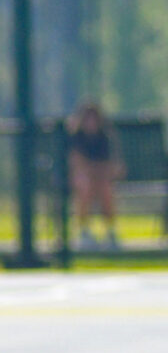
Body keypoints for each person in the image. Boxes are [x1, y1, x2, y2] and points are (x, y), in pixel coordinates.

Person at [68, 101, 122, 249]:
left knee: (106, 188)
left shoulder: (104, 138)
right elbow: (77, 164)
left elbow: (113, 167)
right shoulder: (75, 137)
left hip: (100, 180)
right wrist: (95, 169)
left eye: (94, 119)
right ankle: (84, 232)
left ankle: (110, 232)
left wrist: (96, 170)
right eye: (87, 119)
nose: (91, 122)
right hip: (80, 180)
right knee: (84, 185)